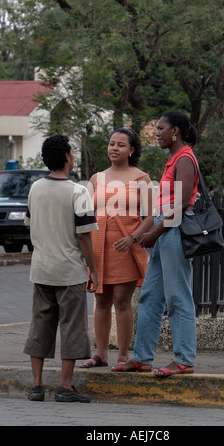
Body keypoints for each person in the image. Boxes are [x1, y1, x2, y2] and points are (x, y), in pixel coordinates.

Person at [114, 111, 199, 376]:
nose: (157, 133)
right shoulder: (174, 159)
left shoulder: (185, 157)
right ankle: (142, 357)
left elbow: (181, 204)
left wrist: (156, 234)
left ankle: (184, 359)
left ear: (175, 131)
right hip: (164, 230)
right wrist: (140, 236)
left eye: (161, 129)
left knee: (178, 297)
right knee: (150, 297)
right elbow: (162, 208)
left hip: (173, 231)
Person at [24, 134, 99, 402]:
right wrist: (94, 270)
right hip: (70, 271)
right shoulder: (78, 191)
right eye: (72, 151)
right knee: (72, 327)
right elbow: (84, 236)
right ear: (67, 157)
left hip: (42, 269)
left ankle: (36, 385)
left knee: (40, 325)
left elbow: (29, 222)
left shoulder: (35, 188)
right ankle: (65, 386)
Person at [80, 128, 154, 371]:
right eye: (112, 143)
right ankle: (100, 354)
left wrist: (133, 238)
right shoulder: (96, 179)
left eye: (121, 145)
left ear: (131, 150)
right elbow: (86, 216)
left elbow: (151, 216)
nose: (114, 148)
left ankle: (123, 355)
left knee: (122, 301)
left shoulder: (141, 179)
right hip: (98, 248)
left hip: (125, 249)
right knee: (101, 300)